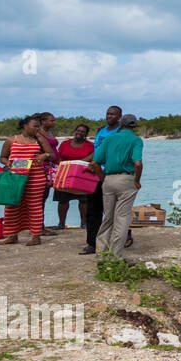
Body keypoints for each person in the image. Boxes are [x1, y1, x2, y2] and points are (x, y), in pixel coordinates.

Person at [90, 113, 143, 259]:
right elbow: (137, 163)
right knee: (122, 218)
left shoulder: (109, 139)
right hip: (126, 180)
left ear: (121, 124)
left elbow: (95, 163)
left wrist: (103, 180)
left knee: (108, 218)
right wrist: (137, 181)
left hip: (109, 179)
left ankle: (101, 255)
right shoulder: (136, 140)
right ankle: (115, 256)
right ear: (134, 126)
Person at [0, 116, 52, 245]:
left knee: (35, 206)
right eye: (35, 126)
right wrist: (8, 163)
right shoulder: (11, 140)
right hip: (15, 178)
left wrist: (45, 155)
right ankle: (12, 235)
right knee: (12, 205)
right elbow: (2, 157)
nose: (37, 129)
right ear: (25, 126)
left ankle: (36, 236)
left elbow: (53, 155)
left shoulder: (39, 140)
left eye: (38, 126)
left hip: (35, 177)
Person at [81, 105, 128, 255]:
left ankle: (123, 237)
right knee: (93, 210)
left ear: (119, 116)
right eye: (108, 113)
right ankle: (92, 243)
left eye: (113, 114)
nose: (110, 116)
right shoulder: (101, 130)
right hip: (95, 174)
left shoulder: (121, 131)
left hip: (112, 174)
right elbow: (96, 151)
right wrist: (85, 163)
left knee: (115, 211)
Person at [54, 123, 94, 228]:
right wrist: (61, 167)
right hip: (65, 174)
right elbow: (58, 157)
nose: (80, 133)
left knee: (83, 200)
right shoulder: (65, 144)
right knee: (63, 200)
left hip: (82, 175)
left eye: (83, 132)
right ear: (75, 131)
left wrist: (79, 163)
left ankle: (84, 223)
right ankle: (61, 223)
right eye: (78, 130)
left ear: (86, 134)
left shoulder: (89, 145)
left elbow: (94, 156)